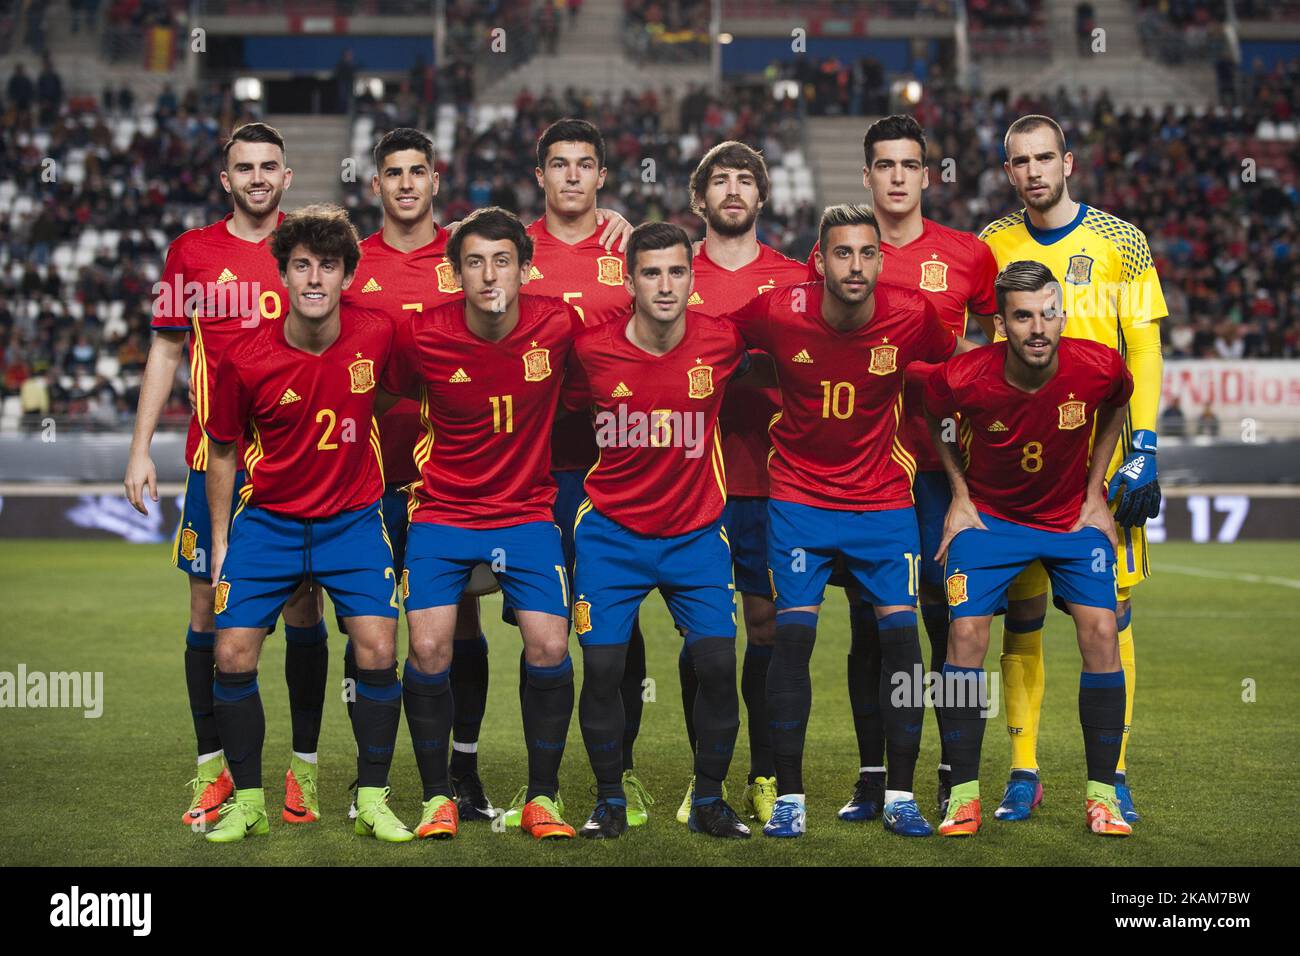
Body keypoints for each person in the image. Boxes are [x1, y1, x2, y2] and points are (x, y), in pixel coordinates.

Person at [731, 203, 971, 839]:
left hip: (883, 503)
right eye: (843, 253)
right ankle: (790, 798)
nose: (857, 265)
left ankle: (899, 794)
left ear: (881, 259)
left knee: (900, 642)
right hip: (799, 501)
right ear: (819, 261)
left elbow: (958, 364)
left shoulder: (912, 312)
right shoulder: (780, 310)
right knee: (795, 641)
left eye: (868, 253)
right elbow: (721, 345)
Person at [124, 123, 329, 829]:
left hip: (300, 464)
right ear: (226, 180)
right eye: (245, 167)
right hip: (212, 459)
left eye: (270, 166)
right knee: (207, 610)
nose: (258, 177)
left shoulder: (310, 250)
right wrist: (140, 447)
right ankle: (211, 770)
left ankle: (302, 771)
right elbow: (164, 350)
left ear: (287, 176)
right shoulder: (193, 253)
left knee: (305, 608)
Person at [806, 114, 998, 822]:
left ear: (925, 174)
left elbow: (1000, 346)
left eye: (907, 164)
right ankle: (874, 774)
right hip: (864, 473)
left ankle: (956, 774)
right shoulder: (833, 253)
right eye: (882, 164)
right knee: (870, 624)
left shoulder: (968, 256)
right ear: (866, 176)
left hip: (941, 471)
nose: (895, 176)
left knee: (952, 614)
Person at [203, 204, 410, 843]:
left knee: (378, 648)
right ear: (284, 277)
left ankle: (372, 798)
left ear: (348, 274)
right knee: (232, 654)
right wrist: (218, 542)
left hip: (352, 520)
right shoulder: (244, 355)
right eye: (301, 266)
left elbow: (404, 395)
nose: (314, 278)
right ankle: (250, 802)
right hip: (269, 523)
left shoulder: (379, 333)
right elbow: (223, 447)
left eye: (327, 265)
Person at [980, 114, 1166, 823]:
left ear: (1069, 162)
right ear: (1007, 171)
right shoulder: (992, 244)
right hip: (1021, 465)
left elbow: (1143, 350)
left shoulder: (1122, 240)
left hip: (1103, 458)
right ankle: (1023, 772)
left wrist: (1143, 446)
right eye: (1019, 161)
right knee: (1020, 619)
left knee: (1110, 618)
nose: (1032, 171)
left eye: (1044, 157)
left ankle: (1110, 778)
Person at [379, 207, 583, 841]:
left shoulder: (558, 322)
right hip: (442, 511)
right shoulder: (422, 335)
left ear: (525, 268)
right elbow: (377, 389)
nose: (489, 274)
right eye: (474, 261)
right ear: (455, 273)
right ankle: (438, 796)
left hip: (526, 513)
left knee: (550, 645)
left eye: (502, 260)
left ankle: (542, 798)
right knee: (427, 648)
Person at [923, 259, 1133, 838]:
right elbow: (935, 415)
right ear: (1002, 324)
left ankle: (1102, 796)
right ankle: (963, 795)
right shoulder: (965, 376)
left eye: (1047, 312)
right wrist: (959, 495)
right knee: (965, 635)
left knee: (1101, 630)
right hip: (990, 522)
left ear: (1061, 312)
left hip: (1070, 519)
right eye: (1022, 317)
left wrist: (1096, 491)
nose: (1038, 327)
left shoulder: (1098, 367)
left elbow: (1118, 402)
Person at [566, 221, 752, 840]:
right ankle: (610, 799)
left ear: (692, 279)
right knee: (601, 671)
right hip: (611, 535)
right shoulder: (591, 350)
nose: (665, 284)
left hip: (696, 535)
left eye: (677, 271)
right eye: (651, 272)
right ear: (629, 280)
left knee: (719, 668)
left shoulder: (722, 341)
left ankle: (708, 800)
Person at [339, 127, 495, 822]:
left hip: (451, 483)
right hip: (363, 480)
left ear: (436, 180)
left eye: (418, 172)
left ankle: (463, 770)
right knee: (368, 629)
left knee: (458, 622)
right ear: (375, 185)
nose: (405, 184)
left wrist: (613, 226)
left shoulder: (469, 256)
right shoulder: (350, 263)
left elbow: (538, 261)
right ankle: (369, 777)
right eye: (392, 173)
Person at [512, 118, 661, 825]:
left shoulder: (630, 252)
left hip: (616, 470)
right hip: (533, 472)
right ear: (540, 176)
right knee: (541, 630)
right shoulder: (509, 251)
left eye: (585, 165)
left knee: (618, 631)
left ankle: (620, 773)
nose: (572, 176)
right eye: (559, 165)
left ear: (603, 176)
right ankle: (540, 784)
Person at [672, 140, 807, 826]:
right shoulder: (669, 271)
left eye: (744, 180)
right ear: (700, 200)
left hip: (768, 479)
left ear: (762, 196)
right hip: (686, 481)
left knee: (766, 628)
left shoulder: (794, 277)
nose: (732, 190)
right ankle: (706, 783)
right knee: (702, 635)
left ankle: (760, 772)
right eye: (719, 181)